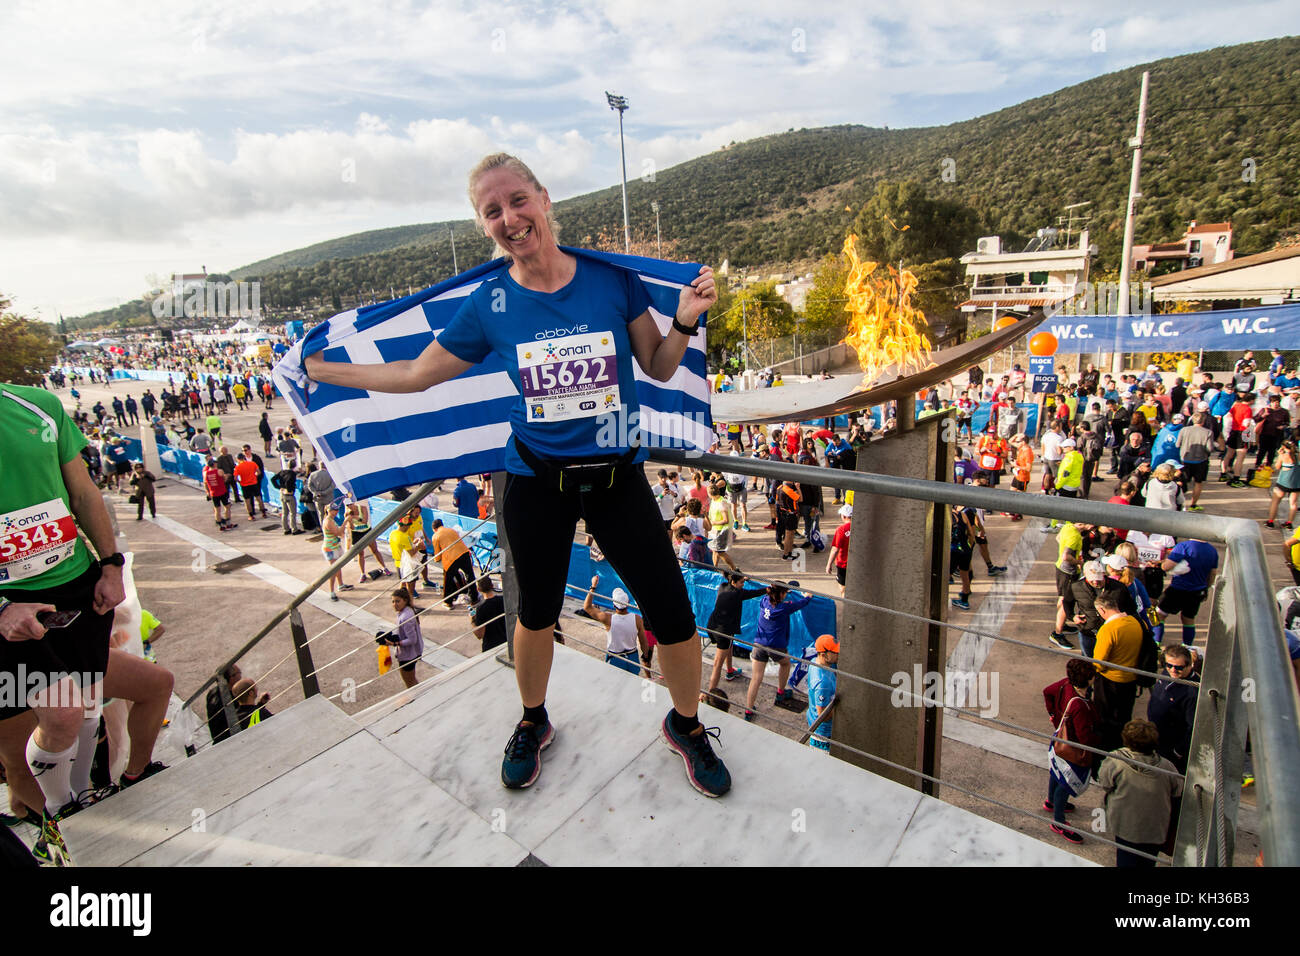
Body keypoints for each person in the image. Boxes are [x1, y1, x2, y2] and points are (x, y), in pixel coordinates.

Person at [305, 153, 727, 797]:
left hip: (617, 475)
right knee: (533, 613)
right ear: (485, 227)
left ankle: (687, 726)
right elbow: (418, 375)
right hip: (535, 480)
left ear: (544, 198)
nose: (510, 218)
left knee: (671, 612)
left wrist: (688, 317)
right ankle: (533, 720)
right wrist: (327, 372)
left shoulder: (612, 281)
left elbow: (661, 366)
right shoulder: (490, 303)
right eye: (492, 211)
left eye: (517, 200)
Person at [0, 382, 173, 865]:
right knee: (60, 717)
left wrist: (112, 564)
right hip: (10, 603)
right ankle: (60, 813)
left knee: (87, 709)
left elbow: (82, 491)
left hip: (75, 584)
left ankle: (80, 801)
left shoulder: (38, 404)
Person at [1098, 719, 1183, 867]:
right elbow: (1178, 791)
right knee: (1148, 862)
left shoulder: (1115, 761)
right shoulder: (1167, 767)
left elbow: (1105, 784)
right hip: (1154, 829)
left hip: (1126, 827)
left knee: (1125, 860)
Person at [1043, 658, 1102, 845]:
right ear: (1089, 678)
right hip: (1072, 751)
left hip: (1059, 741)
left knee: (1056, 772)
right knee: (1066, 784)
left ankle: (1050, 802)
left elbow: (1047, 692)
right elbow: (1084, 738)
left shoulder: (1065, 685)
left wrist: (1054, 716)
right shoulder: (1080, 706)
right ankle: (1058, 821)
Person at [743, 581, 813, 720]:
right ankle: (780, 692)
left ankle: (748, 711)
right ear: (781, 594)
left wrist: (784, 595)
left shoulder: (764, 601)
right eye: (785, 592)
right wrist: (808, 596)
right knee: (785, 664)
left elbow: (774, 601)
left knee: (756, 678)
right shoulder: (784, 608)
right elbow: (801, 603)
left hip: (759, 643)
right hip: (776, 646)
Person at [1091, 591, 1146, 752]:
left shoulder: (1108, 630)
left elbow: (1099, 662)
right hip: (1130, 680)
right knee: (1123, 717)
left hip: (1110, 681)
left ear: (1102, 610)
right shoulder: (1135, 622)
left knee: (1105, 720)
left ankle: (1106, 751)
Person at [1147, 644, 1197, 773]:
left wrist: (1178, 751)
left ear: (1189, 665)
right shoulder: (1168, 674)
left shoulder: (1192, 692)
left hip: (1173, 749)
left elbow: (1193, 727)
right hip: (1157, 740)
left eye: (1179, 667)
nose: (1173, 670)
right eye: (1169, 665)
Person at [583, 577, 647, 676]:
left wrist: (593, 586)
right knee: (633, 683)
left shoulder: (608, 618)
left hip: (615, 657)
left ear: (613, 605)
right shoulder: (637, 619)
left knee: (615, 684)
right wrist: (645, 654)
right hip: (632, 655)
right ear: (628, 603)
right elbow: (643, 641)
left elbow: (587, 607)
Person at [429, 518, 479, 609]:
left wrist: (437, 560)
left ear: (434, 529)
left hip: (451, 558)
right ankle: (474, 599)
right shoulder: (451, 530)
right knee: (470, 576)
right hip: (464, 553)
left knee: (448, 579)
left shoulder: (436, 536)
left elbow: (437, 554)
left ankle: (448, 602)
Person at [805, 635, 839, 752]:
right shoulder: (822, 683)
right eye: (835, 652)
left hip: (815, 724)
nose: (838, 654)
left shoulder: (814, 662)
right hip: (823, 736)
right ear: (824, 655)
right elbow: (823, 716)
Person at [386, 589, 424, 689]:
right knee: (412, 680)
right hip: (412, 653)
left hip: (408, 655)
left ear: (405, 601)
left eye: (398, 601)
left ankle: (417, 700)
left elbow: (412, 640)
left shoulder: (405, 617)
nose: (395, 604)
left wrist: (393, 643)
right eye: (393, 601)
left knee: (410, 683)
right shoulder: (407, 611)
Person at [706, 480, 739, 573]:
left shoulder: (721, 503)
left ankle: (734, 568)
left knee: (720, 552)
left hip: (721, 530)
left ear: (710, 493)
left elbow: (726, 520)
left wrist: (712, 522)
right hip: (716, 530)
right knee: (715, 550)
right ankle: (714, 568)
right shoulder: (714, 500)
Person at [471, 575, 507, 652]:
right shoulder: (503, 600)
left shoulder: (481, 608)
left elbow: (480, 635)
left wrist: (472, 621)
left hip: (490, 646)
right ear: (492, 586)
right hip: (505, 641)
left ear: (478, 589)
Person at [825, 504, 852, 596]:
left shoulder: (841, 530)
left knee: (843, 588)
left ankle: (847, 605)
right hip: (858, 562)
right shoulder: (861, 528)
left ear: (844, 516)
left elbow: (835, 549)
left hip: (843, 564)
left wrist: (829, 564)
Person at [203, 456, 234, 531]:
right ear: (214, 464)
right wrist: (226, 477)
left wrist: (208, 492)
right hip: (222, 491)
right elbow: (224, 479)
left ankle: (220, 525)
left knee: (217, 509)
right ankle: (228, 523)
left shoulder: (206, 473)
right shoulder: (219, 471)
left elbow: (205, 483)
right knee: (227, 507)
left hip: (213, 493)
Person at [233, 453, 266, 521]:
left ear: (238, 459)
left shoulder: (238, 467)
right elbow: (259, 472)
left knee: (247, 501)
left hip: (245, 485)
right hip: (254, 483)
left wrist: (240, 482)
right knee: (259, 498)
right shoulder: (252, 463)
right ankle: (263, 512)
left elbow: (235, 478)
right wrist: (254, 477)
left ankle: (251, 516)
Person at [274, 462, 303, 535]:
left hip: (282, 493)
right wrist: (289, 490)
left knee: (284, 512)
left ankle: (286, 528)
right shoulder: (292, 474)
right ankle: (294, 529)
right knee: (292, 513)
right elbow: (288, 481)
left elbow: (273, 479)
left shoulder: (282, 472)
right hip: (289, 495)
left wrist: (279, 487)